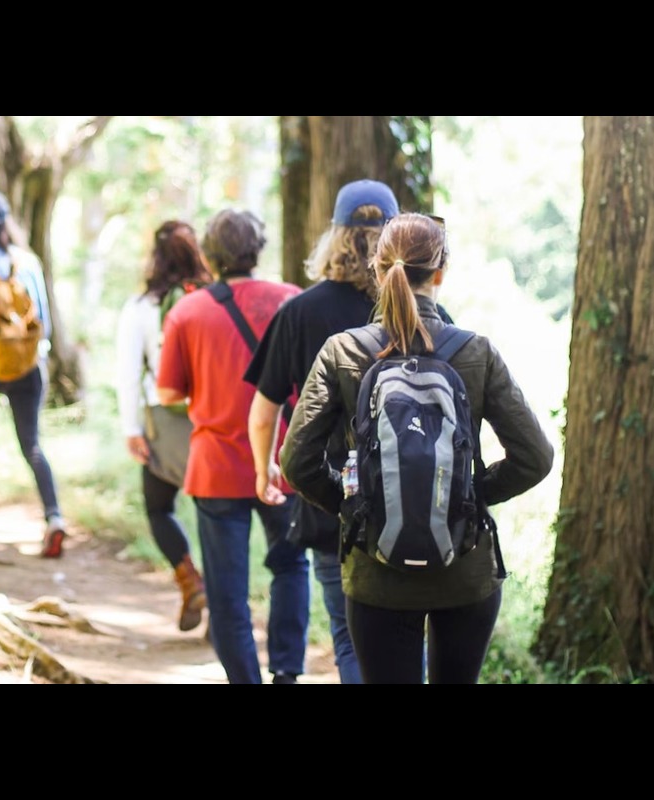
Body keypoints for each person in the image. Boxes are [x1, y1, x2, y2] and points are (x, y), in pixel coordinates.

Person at [280, 212, 554, 684]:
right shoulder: (477, 352)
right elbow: (536, 457)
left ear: (377, 270)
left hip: (376, 573)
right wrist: (468, 499)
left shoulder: (343, 351)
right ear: (440, 273)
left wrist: (357, 508)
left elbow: (296, 461)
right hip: (465, 571)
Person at [244, 179, 398, 684]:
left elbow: (264, 409)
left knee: (350, 637)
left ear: (335, 236)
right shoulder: (424, 315)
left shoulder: (300, 312)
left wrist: (264, 467)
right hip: (413, 497)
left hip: (332, 497)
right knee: (407, 637)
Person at [156, 208, 310, 684]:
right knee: (290, 567)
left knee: (226, 591)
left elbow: (167, 393)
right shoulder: (293, 301)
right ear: (257, 249)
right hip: (283, 461)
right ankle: (286, 671)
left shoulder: (187, 311)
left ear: (211, 254)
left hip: (217, 467)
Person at [115, 220, 213, 632]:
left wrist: (131, 429)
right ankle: (223, 605)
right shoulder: (214, 299)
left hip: (163, 423)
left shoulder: (141, 308)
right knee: (216, 516)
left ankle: (189, 577)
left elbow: (126, 373)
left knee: (159, 508)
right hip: (213, 421)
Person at [0, 190, 67, 559]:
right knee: (32, 444)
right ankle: (54, 517)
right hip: (26, 368)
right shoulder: (28, 263)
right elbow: (46, 324)